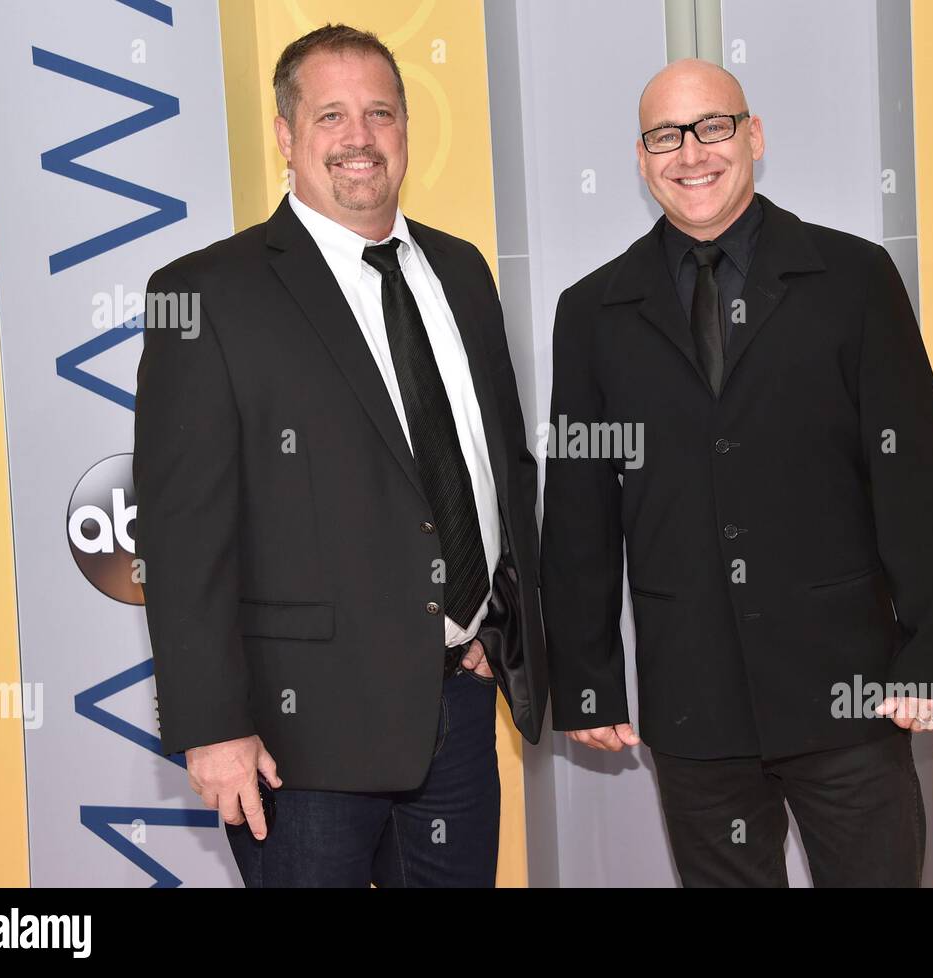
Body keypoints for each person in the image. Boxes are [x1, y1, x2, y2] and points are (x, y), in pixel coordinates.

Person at [540, 58, 933, 887]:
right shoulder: (591, 310)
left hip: (851, 695)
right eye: (665, 135)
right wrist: (588, 679)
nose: (690, 153)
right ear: (641, 159)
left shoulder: (852, 279)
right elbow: (578, 511)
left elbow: (914, 476)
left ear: (754, 137)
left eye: (712, 127)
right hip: (693, 701)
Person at [133, 23, 544, 888]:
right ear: (287, 136)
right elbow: (182, 534)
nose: (359, 138)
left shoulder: (463, 271)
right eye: (330, 116)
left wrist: (495, 619)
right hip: (298, 742)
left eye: (380, 114)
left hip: (459, 711)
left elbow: (495, 463)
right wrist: (212, 727)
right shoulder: (205, 294)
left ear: (404, 130)